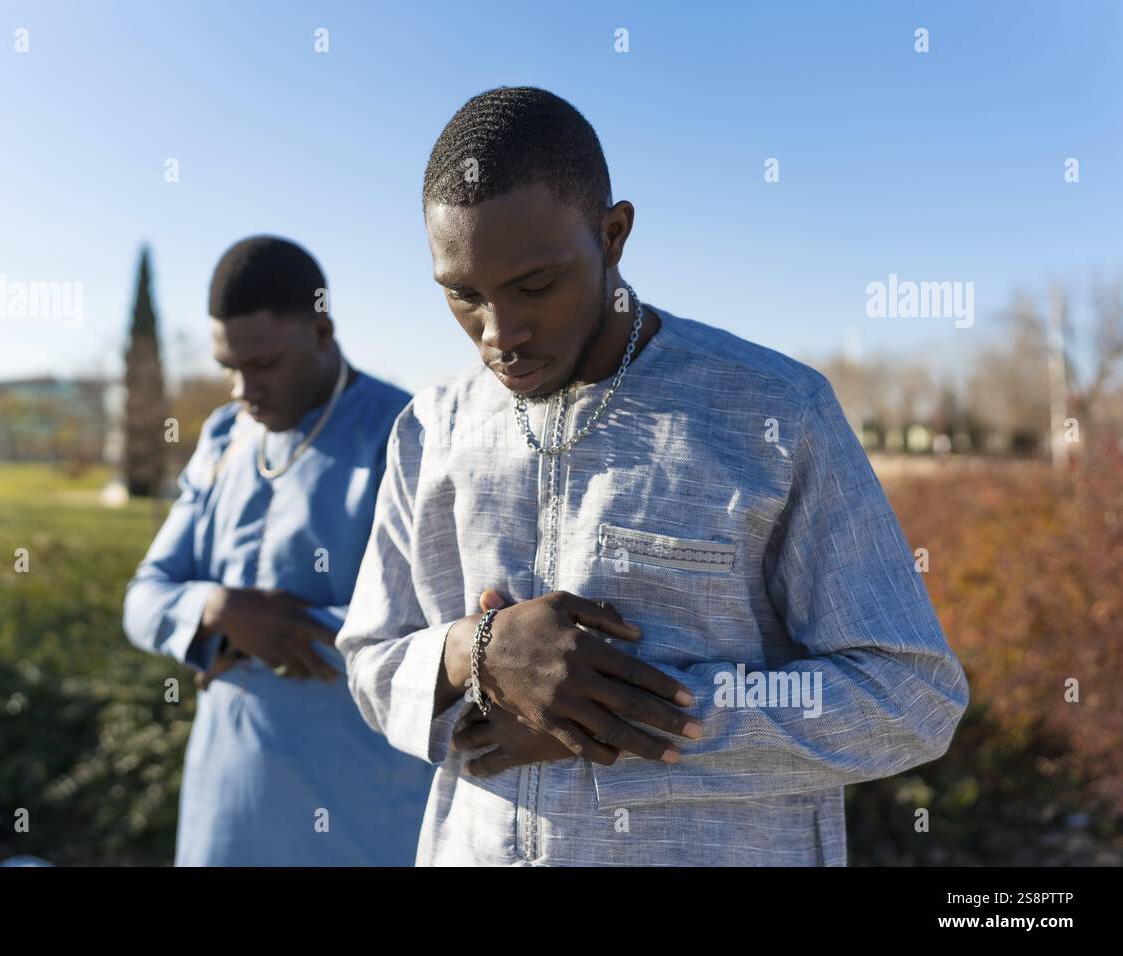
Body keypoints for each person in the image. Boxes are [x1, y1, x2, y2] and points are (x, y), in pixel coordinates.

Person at [336, 87, 970, 866]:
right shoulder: (432, 430)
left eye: (536, 285)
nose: (500, 334)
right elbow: (369, 664)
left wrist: (619, 720)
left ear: (613, 234)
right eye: (463, 295)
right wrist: (478, 653)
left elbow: (909, 698)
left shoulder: (772, 411)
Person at [124, 235, 433, 865]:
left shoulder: (406, 437)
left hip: (363, 811)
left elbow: (440, 634)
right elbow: (143, 597)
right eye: (228, 368)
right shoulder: (222, 438)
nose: (242, 389)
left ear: (321, 331)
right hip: (225, 805)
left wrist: (291, 629)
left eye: (262, 365)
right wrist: (215, 609)